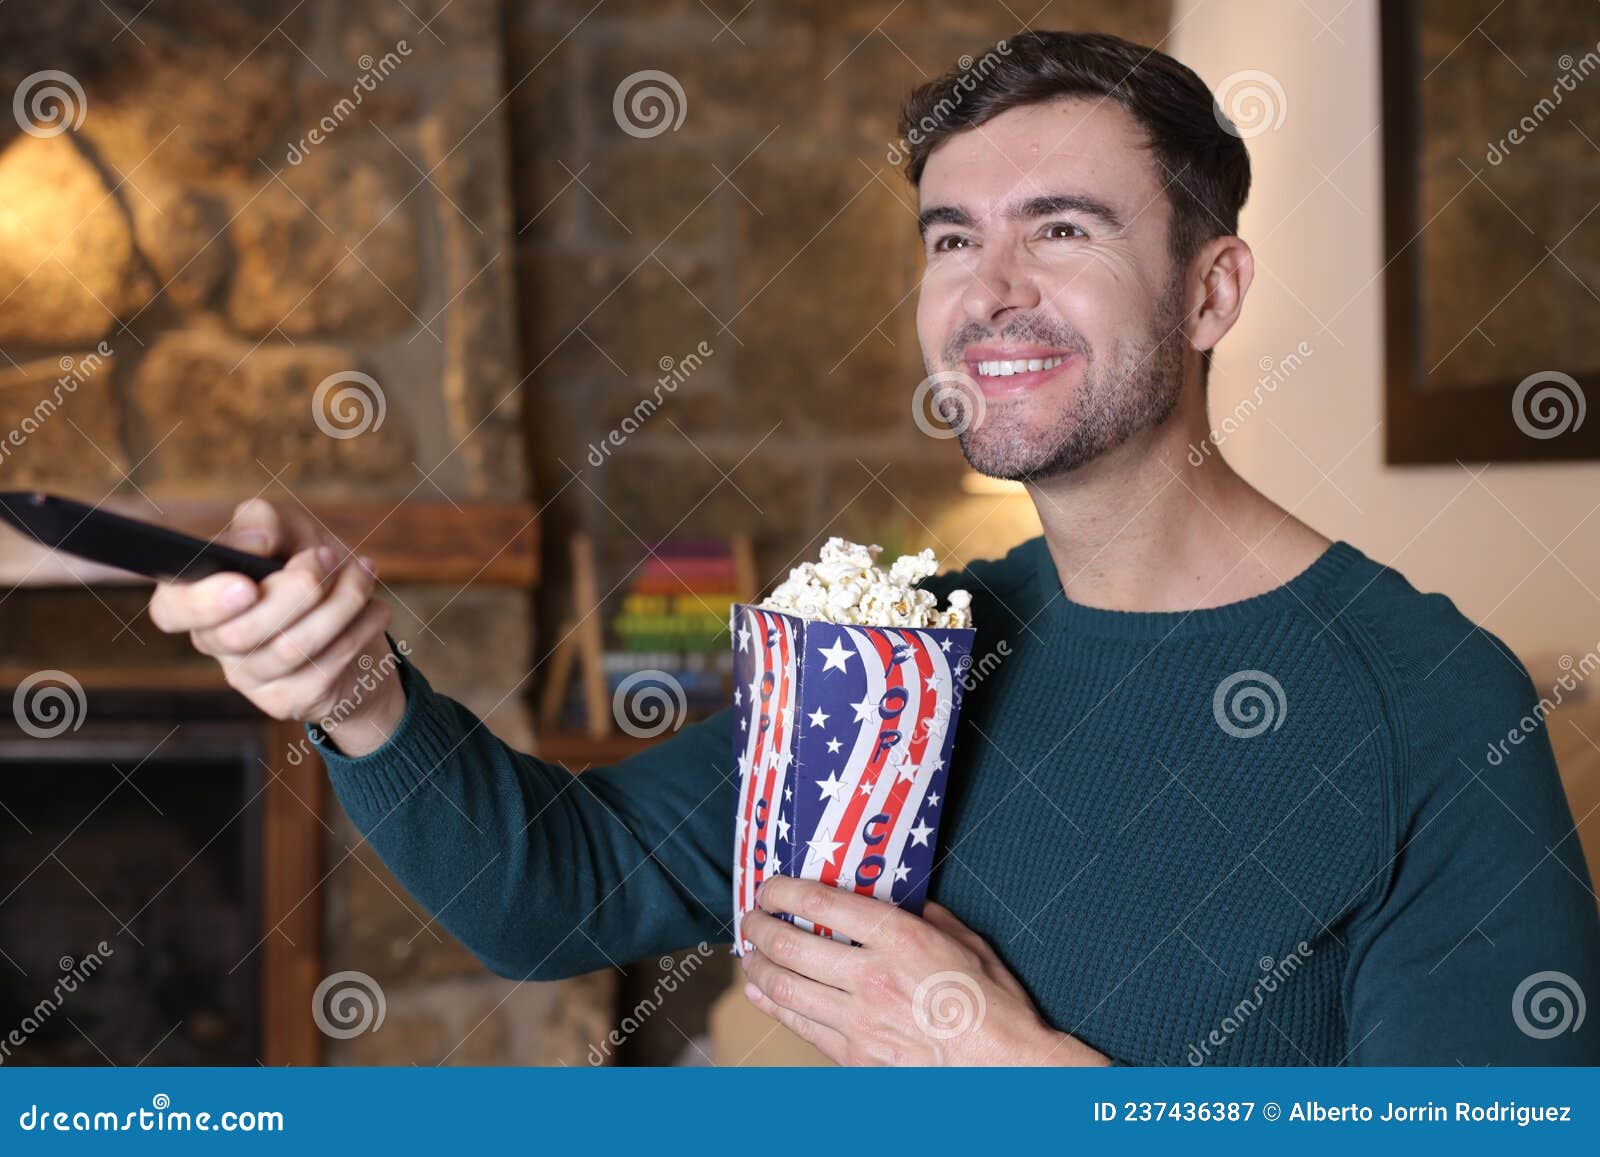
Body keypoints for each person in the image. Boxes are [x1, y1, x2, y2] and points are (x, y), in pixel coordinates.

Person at [148, 30, 1600, 1066]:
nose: (993, 291)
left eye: (1066, 230)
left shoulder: (1433, 704)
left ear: (1212, 289)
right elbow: (559, 888)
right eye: (951, 238)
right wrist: (350, 688)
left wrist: (997, 1071)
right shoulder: (907, 650)